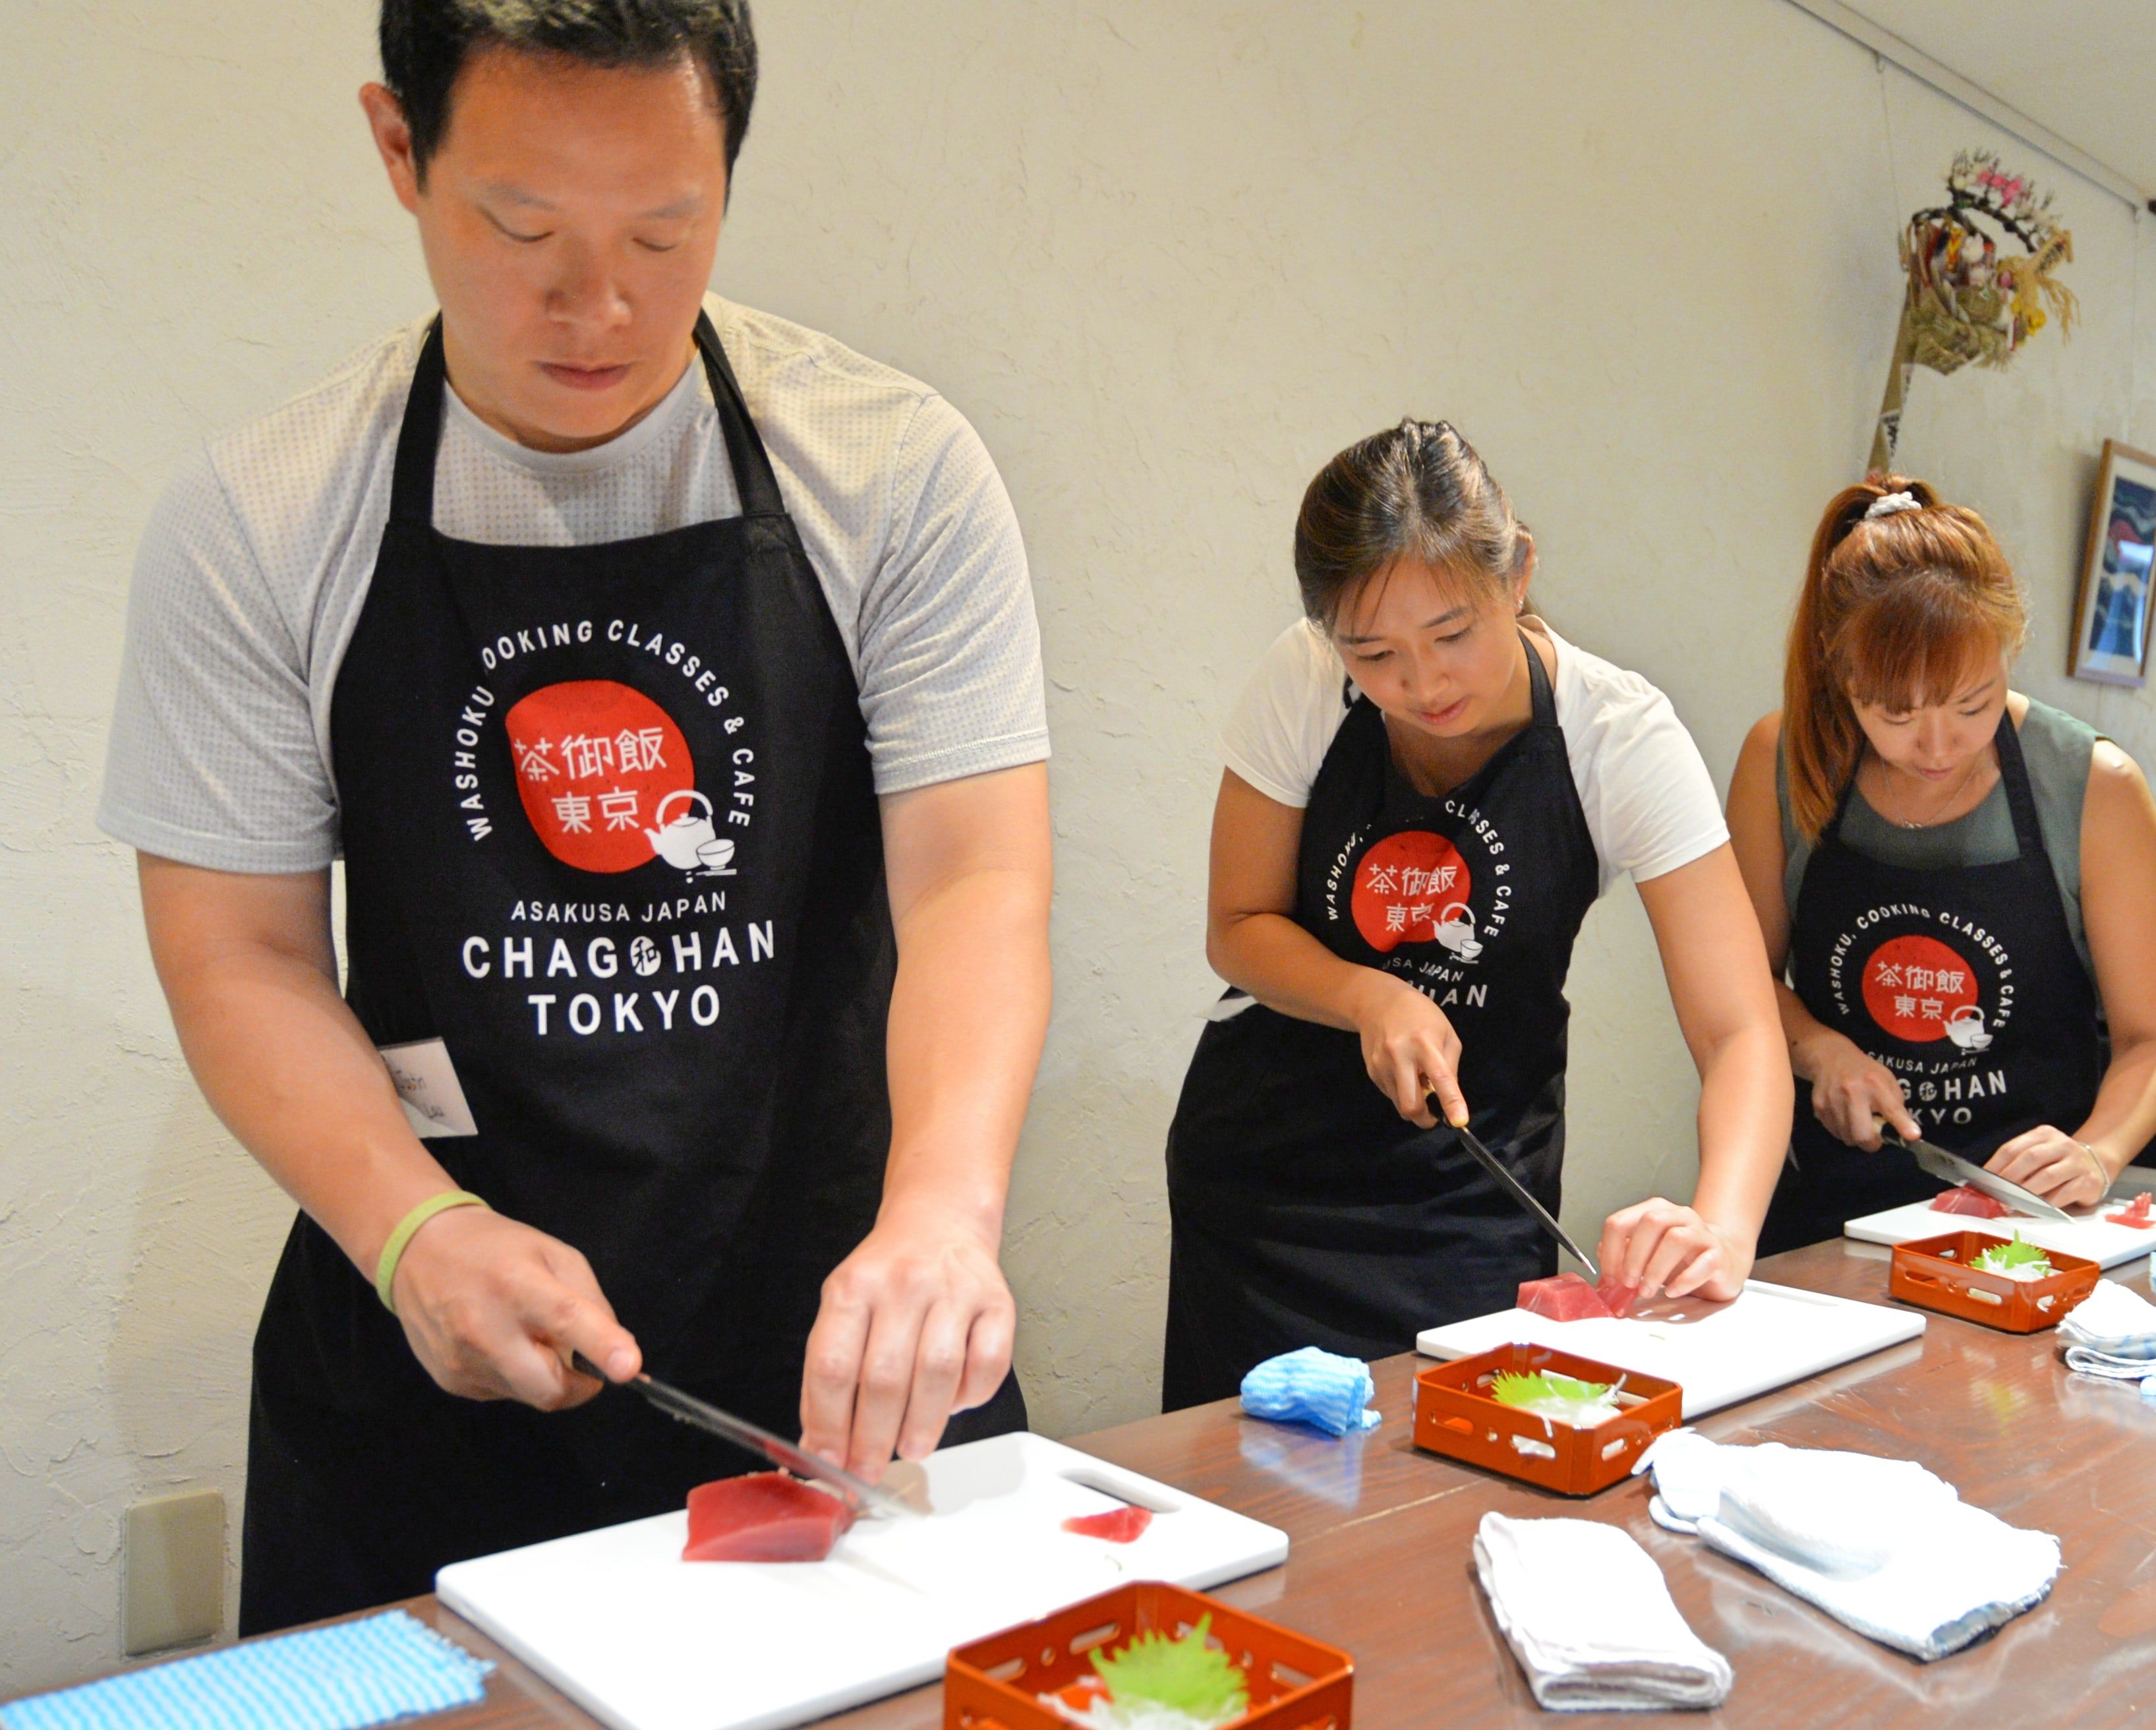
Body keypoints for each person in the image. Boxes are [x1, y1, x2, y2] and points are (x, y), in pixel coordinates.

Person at [97, 0, 1052, 1630]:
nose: (597, 304)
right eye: (520, 225)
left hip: (833, 1344)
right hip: (434, 1363)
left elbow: (972, 877)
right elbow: (240, 951)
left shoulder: (892, 467)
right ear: (401, 150)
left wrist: (944, 1215)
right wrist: (414, 1235)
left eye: (664, 233)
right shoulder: (262, 514)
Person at [1161, 420, 1792, 1408]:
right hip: (1266, 1186)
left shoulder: (1617, 737)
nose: (1422, 684)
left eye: (1453, 634)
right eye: (1374, 653)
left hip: (1473, 1185)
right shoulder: (1304, 680)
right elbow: (1237, 924)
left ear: (1519, 573)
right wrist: (1368, 996)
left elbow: (1741, 1027)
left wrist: (1724, 1229)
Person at [1726, 477, 2156, 1256]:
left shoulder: (2092, 785)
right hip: (1829, 1217)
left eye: (1971, 706)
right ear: (1843, 675)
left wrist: (2097, 1152)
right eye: (1894, 715)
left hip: (2027, 1220)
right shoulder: (1785, 757)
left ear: (2008, 647)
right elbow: (1740, 983)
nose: (1936, 748)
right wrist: (1821, 1050)